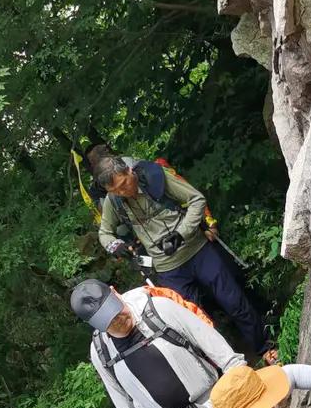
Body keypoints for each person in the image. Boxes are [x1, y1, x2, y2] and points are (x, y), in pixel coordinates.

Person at [92, 152, 275, 363]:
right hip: (167, 268)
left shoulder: (155, 176)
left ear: (129, 170)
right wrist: (115, 245)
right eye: (115, 190)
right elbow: (105, 232)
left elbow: (196, 199)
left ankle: (265, 348)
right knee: (195, 320)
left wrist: (181, 234)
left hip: (198, 250)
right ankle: (223, 365)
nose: (122, 192)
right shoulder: (114, 201)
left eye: (124, 184)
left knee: (233, 300)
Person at [70, 278, 245, 408]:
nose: (119, 320)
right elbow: (122, 403)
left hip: (218, 406)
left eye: (116, 311)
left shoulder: (159, 309)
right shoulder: (101, 352)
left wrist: (240, 376)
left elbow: (212, 343)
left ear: (115, 292)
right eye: (109, 321)